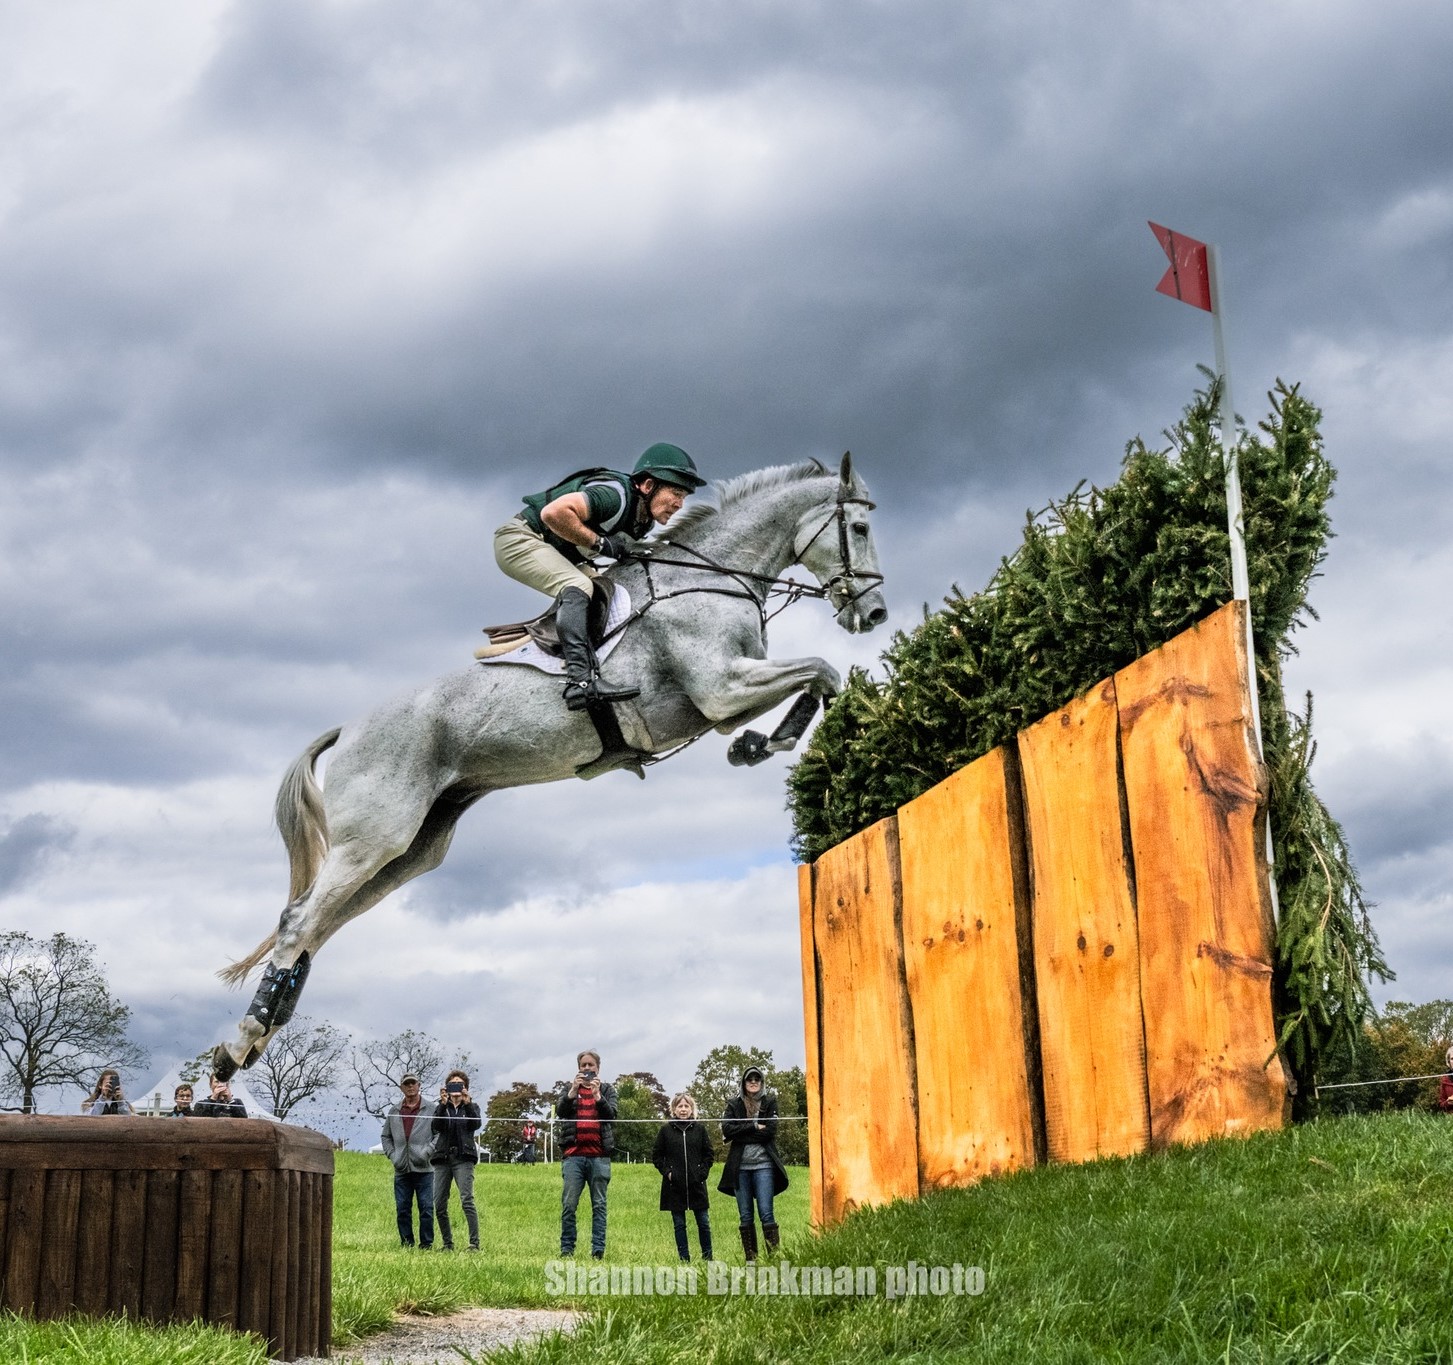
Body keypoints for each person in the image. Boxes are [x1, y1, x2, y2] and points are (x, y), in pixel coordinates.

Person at [494, 444, 707, 711]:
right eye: (676, 493)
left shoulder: (643, 521)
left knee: (610, 591)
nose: (679, 504)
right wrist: (600, 544)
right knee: (578, 585)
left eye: (684, 497)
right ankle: (580, 682)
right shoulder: (614, 497)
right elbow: (554, 513)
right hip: (520, 539)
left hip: (557, 551)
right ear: (648, 485)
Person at [718, 1066, 789, 1262]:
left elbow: (771, 1131)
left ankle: (774, 1259)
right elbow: (727, 1129)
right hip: (740, 1168)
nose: (754, 1081)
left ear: (762, 1082)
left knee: (766, 1213)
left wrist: (741, 1133)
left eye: (758, 1079)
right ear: (744, 1082)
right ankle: (752, 1261)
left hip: (764, 1165)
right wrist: (754, 1125)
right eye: (750, 1079)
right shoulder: (734, 1104)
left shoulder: (770, 1102)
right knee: (745, 1216)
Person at [555, 1050, 617, 1259]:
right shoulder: (569, 1089)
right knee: (569, 1205)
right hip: (573, 1157)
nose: (587, 1069)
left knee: (599, 1205)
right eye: (584, 1065)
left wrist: (598, 1096)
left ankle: (598, 1251)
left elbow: (612, 1116)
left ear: (598, 1068)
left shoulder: (608, 1090)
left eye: (591, 1065)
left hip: (599, 1157)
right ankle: (567, 1249)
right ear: (579, 1068)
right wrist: (572, 1091)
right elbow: (560, 1112)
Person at [651, 1093, 714, 1262]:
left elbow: (709, 1154)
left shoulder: (700, 1129)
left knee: (704, 1223)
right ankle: (684, 1258)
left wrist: (702, 1173)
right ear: (674, 1109)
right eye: (680, 1106)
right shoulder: (665, 1130)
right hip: (674, 1186)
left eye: (687, 1106)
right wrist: (668, 1173)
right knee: (679, 1225)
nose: (683, 1109)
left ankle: (708, 1257)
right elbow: (657, 1156)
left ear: (692, 1109)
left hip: (697, 1184)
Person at [381, 1074, 436, 1249]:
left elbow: (439, 1135)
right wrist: (392, 1155)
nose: (410, 1086)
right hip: (401, 1169)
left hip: (425, 1168)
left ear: (419, 1085)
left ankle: (426, 1244)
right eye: (407, 1084)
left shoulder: (431, 1109)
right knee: (402, 1209)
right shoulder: (394, 1110)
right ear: (401, 1088)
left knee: (426, 1208)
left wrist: (427, 1152)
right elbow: (385, 1136)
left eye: (413, 1083)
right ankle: (407, 1244)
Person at [431, 1069, 482, 1251]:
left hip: (463, 1158)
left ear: (465, 1088)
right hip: (443, 1158)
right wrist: (442, 1105)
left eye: (459, 1084)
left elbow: (475, 1125)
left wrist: (467, 1104)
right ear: (446, 1087)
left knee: (467, 1200)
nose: (456, 1087)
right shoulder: (442, 1108)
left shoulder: (472, 1107)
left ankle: (474, 1243)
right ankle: (447, 1243)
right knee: (439, 1202)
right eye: (452, 1084)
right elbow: (436, 1126)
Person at [1439, 1046, 1453, 1114]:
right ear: (1449, 1062)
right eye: (1452, 1059)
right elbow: (1441, 1104)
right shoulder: (1445, 1079)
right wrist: (1448, 1103)